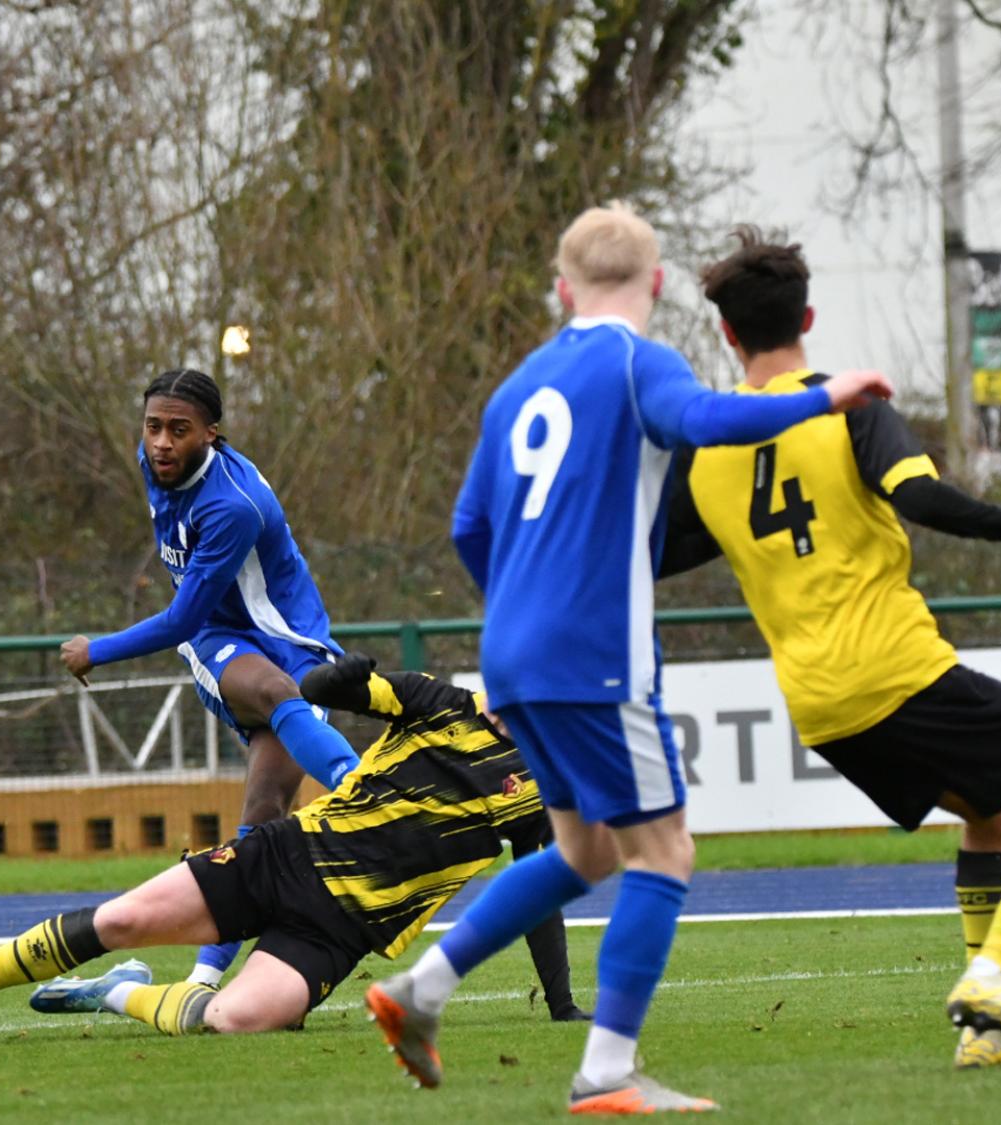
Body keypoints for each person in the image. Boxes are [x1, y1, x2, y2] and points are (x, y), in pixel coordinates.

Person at [365, 203, 894, 1115]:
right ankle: (606, 1071)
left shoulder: (517, 385)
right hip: (596, 657)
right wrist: (826, 397)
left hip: (517, 653)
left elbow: (468, 526)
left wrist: (518, 623)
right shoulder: (639, 360)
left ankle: (421, 990)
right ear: (655, 285)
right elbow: (705, 420)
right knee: (665, 849)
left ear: (562, 288)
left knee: (585, 847)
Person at [661, 226, 1001, 1068]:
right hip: (899, 671)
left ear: (727, 334)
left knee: (991, 810)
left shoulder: (703, 450)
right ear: (809, 317)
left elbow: (651, 557)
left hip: (821, 707)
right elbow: (922, 496)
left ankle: (991, 1033)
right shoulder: (844, 406)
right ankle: (1000, 976)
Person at [0, 652, 584, 1033]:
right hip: (287, 854)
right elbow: (317, 688)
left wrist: (559, 1004)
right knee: (119, 918)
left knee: (238, 1019)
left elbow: (538, 893)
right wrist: (346, 675)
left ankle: (116, 997)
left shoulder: (536, 786)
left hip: (341, 929)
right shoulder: (439, 702)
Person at [59, 369, 360, 988]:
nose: (161, 443)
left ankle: (200, 982)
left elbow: (177, 617)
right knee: (280, 694)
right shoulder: (153, 462)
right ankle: (364, 794)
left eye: (179, 430)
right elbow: (192, 624)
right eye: (152, 428)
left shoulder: (232, 506)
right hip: (218, 642)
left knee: (264, 823)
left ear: (211, 435)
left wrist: (97, 649)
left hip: (296, 644)